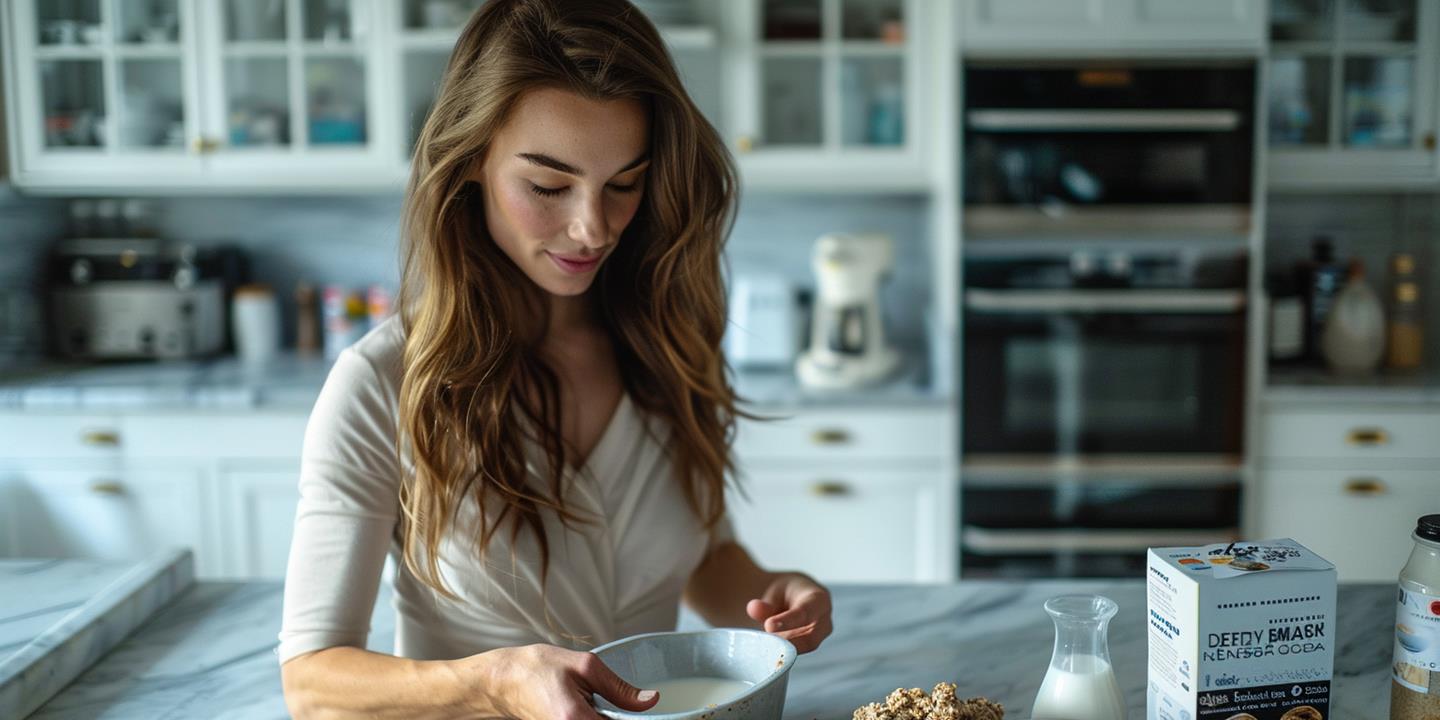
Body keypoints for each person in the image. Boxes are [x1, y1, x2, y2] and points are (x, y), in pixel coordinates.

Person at [277, 1, 833, 717]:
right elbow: (313, 683)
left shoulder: (670, 348)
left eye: (623, 184)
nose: (591, 227)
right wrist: (491, 682)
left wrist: (772, 592)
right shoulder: (379, 383)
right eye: (547, 186)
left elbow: (705, 557)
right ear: (471, 160)